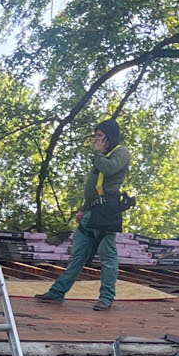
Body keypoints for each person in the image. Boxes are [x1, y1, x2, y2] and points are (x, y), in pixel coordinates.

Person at [34, 118, 131, 310]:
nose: (96, 140)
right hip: (92, 211)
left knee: (107, 256)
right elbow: (94, 187)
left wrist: (98, 153)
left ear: (109, 138)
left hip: (107, 212)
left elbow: (109, 169)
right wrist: (84, 208)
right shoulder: (101, 156)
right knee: (77, 254)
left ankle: (106, 298)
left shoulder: (120, 152)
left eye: (100, 136)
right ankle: (57, 293)